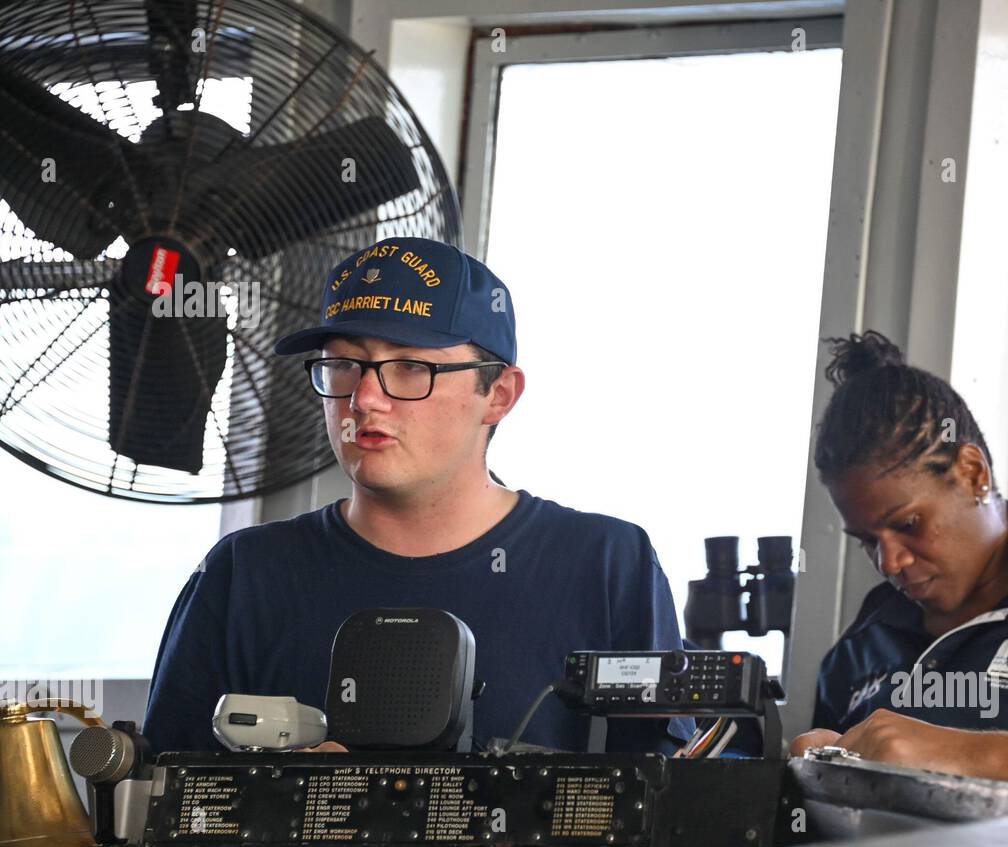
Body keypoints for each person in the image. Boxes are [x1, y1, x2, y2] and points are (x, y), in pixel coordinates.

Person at [141, 237, 691, 754]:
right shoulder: (245, 572)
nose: (365, 399)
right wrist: (282, 799)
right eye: (342, 365)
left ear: (498, 395)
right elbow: (158, 802)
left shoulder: (605, 562)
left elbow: (666, 797)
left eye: (410, 367)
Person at [789, 332, 1008, 783]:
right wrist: (812, 773)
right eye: (866, 540)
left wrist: (965, 754)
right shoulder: (859, 650)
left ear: (972, 474)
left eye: (909, 524)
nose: (889, 563)